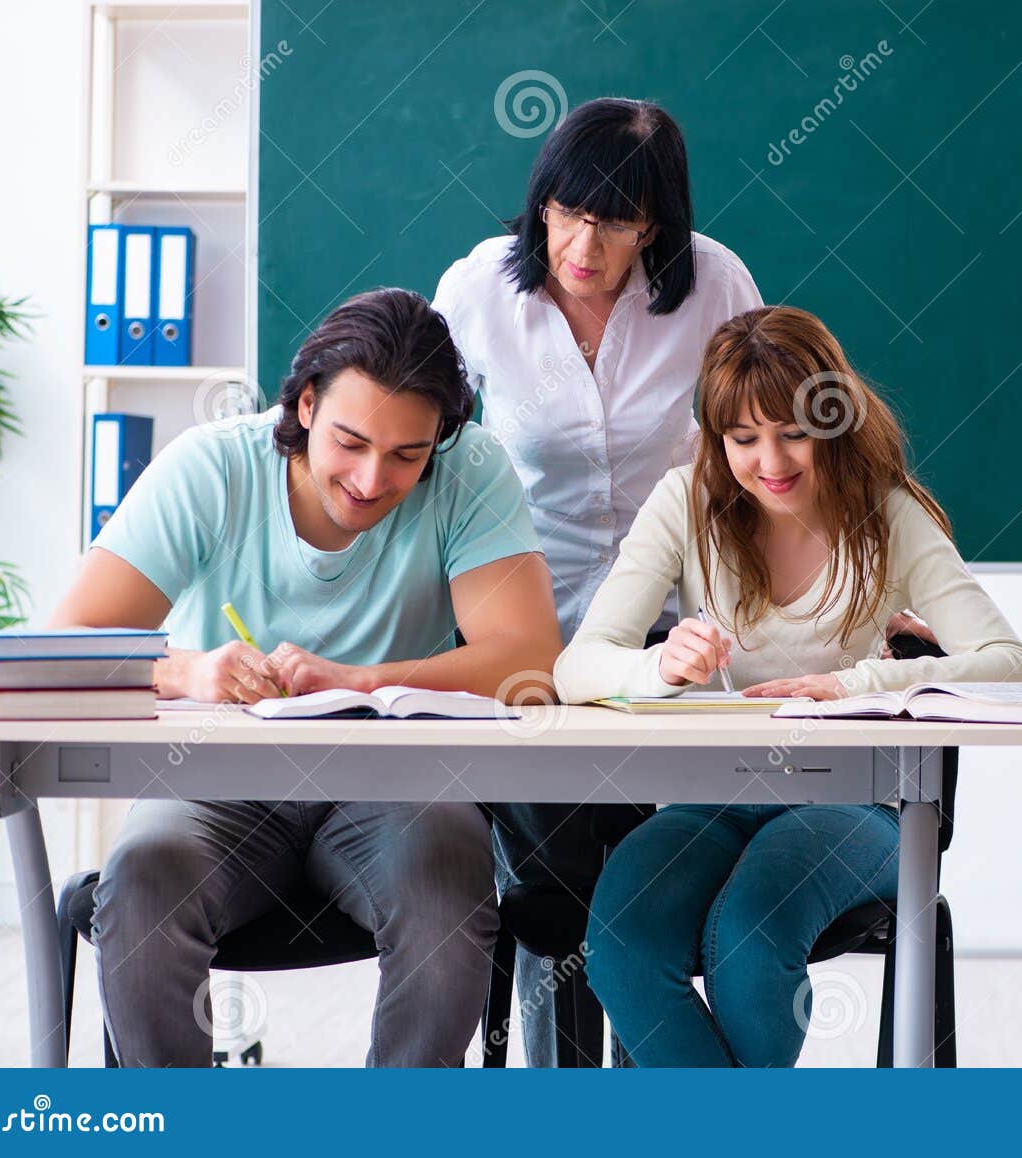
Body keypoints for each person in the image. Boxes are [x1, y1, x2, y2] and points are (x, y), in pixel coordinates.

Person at [48, 288, 561, 1067]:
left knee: (448, 891)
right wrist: (190, 671)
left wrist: (361, 681)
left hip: (394, 784)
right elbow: (66, 646)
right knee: (143, 884)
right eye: (350, 442)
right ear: (307, 403)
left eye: (407, 456)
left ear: (442, 441)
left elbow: (529, 657)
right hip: (213, 783)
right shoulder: (213, 468)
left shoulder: (471, 471)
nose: (369, 479)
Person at [556, 305, 1022, 1066]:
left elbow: (1012, 664)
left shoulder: (889, 513)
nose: (770, 461)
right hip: (709, 797)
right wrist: (658, 667)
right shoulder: (685, 503)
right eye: (743, 439)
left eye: (793, 432)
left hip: (861, 805)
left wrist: (854, 682)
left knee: (750, 936)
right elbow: (575, 669)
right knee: (621, 944)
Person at [431, 96, 762, 1063]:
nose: (584, 240)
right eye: (567, 211)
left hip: (671, 628)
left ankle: (645, 1089)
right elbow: (426, 447)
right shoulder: (483, 289)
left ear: (655, 223)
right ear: (541, 205)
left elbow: (752, 449)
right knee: (554, 889)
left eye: (615, 221)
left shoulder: (714, 285)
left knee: (648, 887)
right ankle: (561, 1094)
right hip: (523, 629)